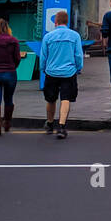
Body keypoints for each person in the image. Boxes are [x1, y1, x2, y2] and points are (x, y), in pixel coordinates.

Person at [39, 9, 84, 138]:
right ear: (67, 21)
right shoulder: (75, 36)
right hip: (68, 72)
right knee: (66, 99)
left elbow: (43, 56)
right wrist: (78, 68)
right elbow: (78, 55)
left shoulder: (48, 37)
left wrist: (43, 69)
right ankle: (62, 126)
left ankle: (50, 123)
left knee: (50, 99)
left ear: (56, 22)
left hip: (51, 72)